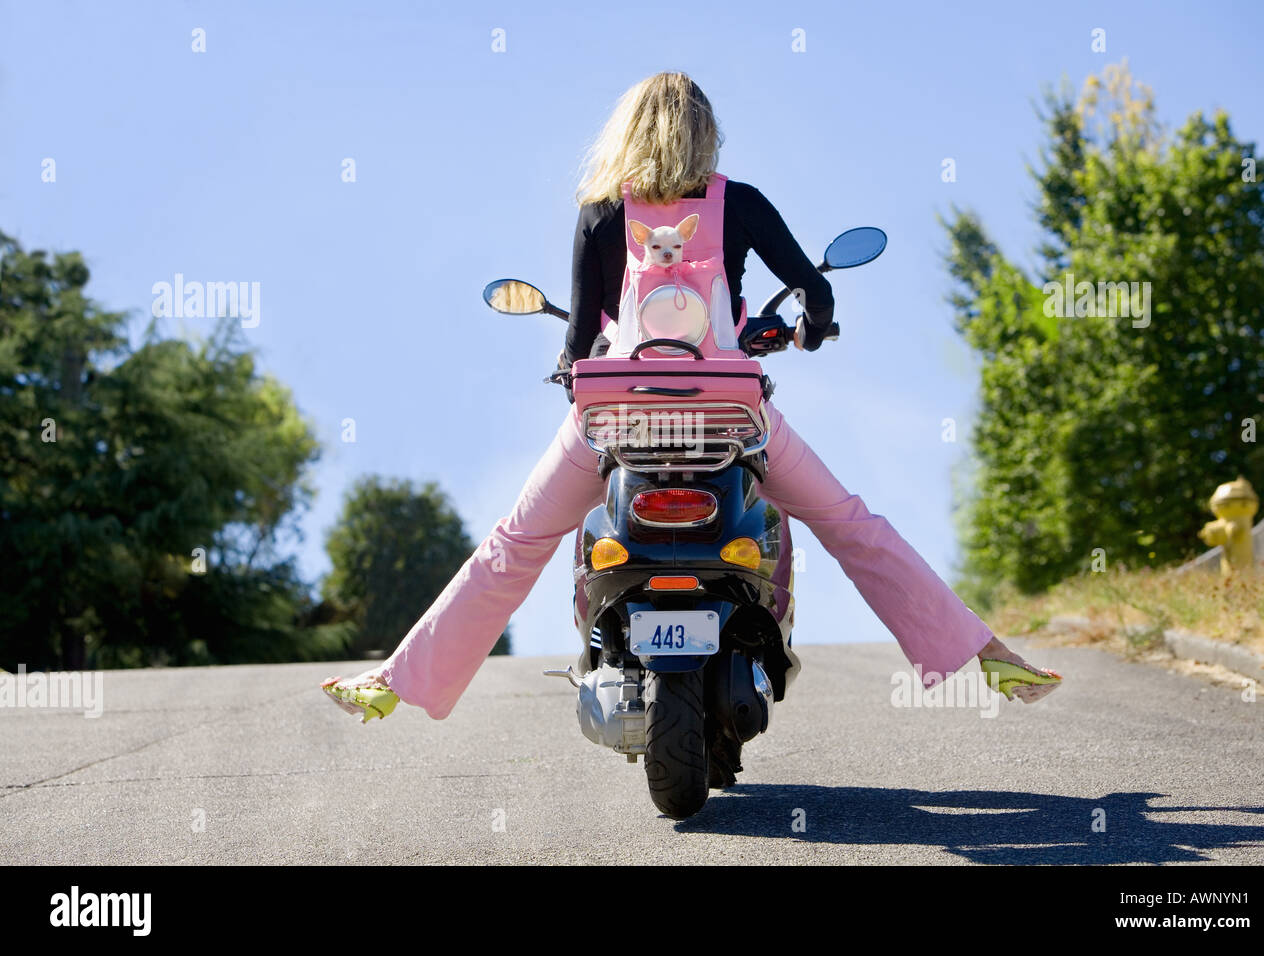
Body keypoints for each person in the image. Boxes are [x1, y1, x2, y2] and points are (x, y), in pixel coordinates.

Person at [322, 71, 1061, 738]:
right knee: (851, 525)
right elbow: (817, 288)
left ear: (628, 132)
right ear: (706, 132)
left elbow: (581, 338)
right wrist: (811, 327)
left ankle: (393, 680)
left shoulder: (600, 213)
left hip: (615, 419)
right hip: (733, 419)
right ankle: (987, 654)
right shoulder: (738, 202)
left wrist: (567, 368)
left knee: (513, 545)